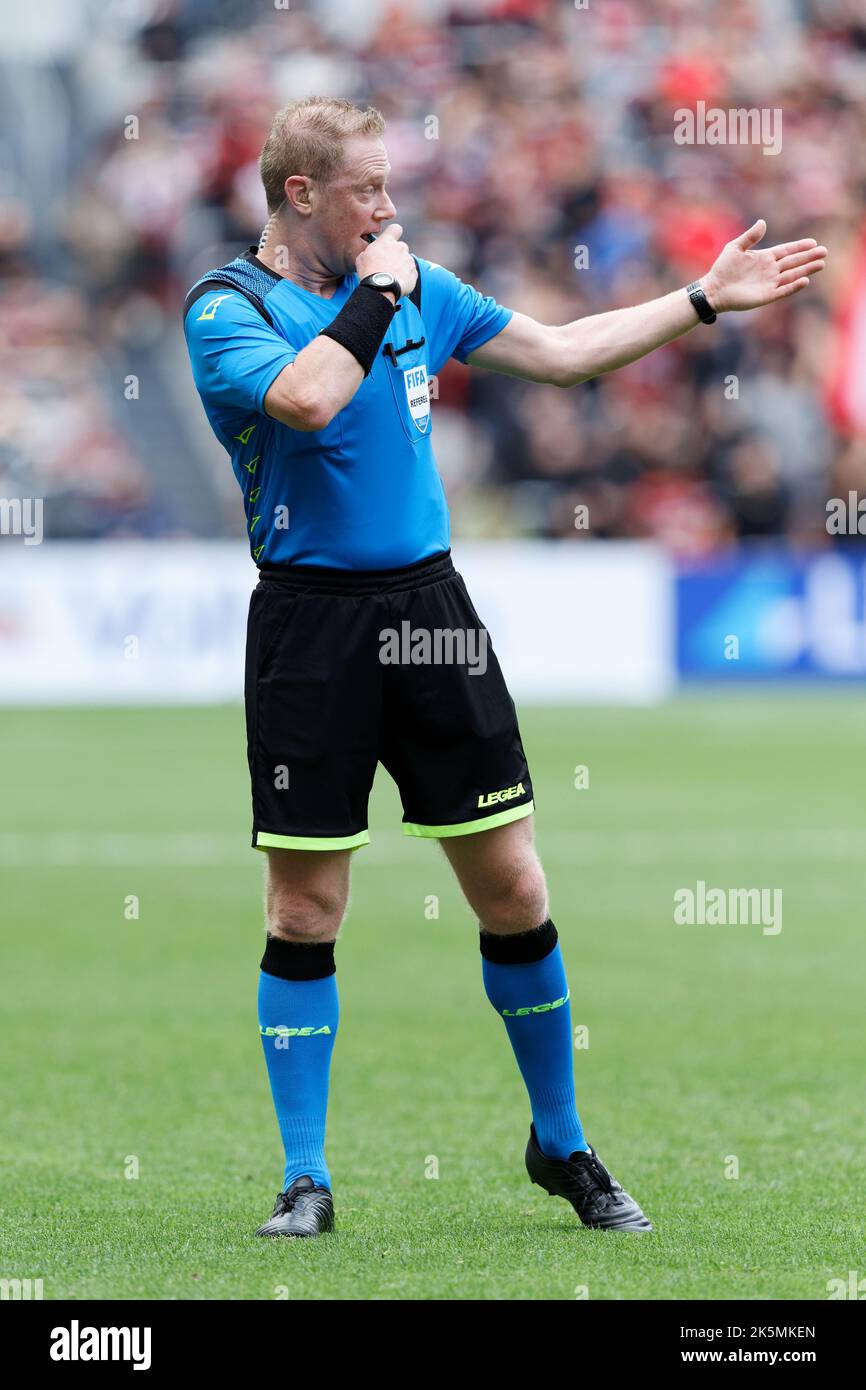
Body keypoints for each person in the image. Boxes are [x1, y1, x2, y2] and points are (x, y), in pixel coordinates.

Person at [183, 95, 826, 1238]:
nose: (389, 207)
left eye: (390, 184)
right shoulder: (227, 308)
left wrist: (694, 303)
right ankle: (304, 1175)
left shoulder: (421, 285)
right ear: (299, 195)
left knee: (514, 885)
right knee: (306, 904)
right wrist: (381, 290)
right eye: (367, 188)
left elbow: (564, 354)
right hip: (308, 626)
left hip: (430, 609)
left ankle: (561, 1142)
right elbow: (311, 400)